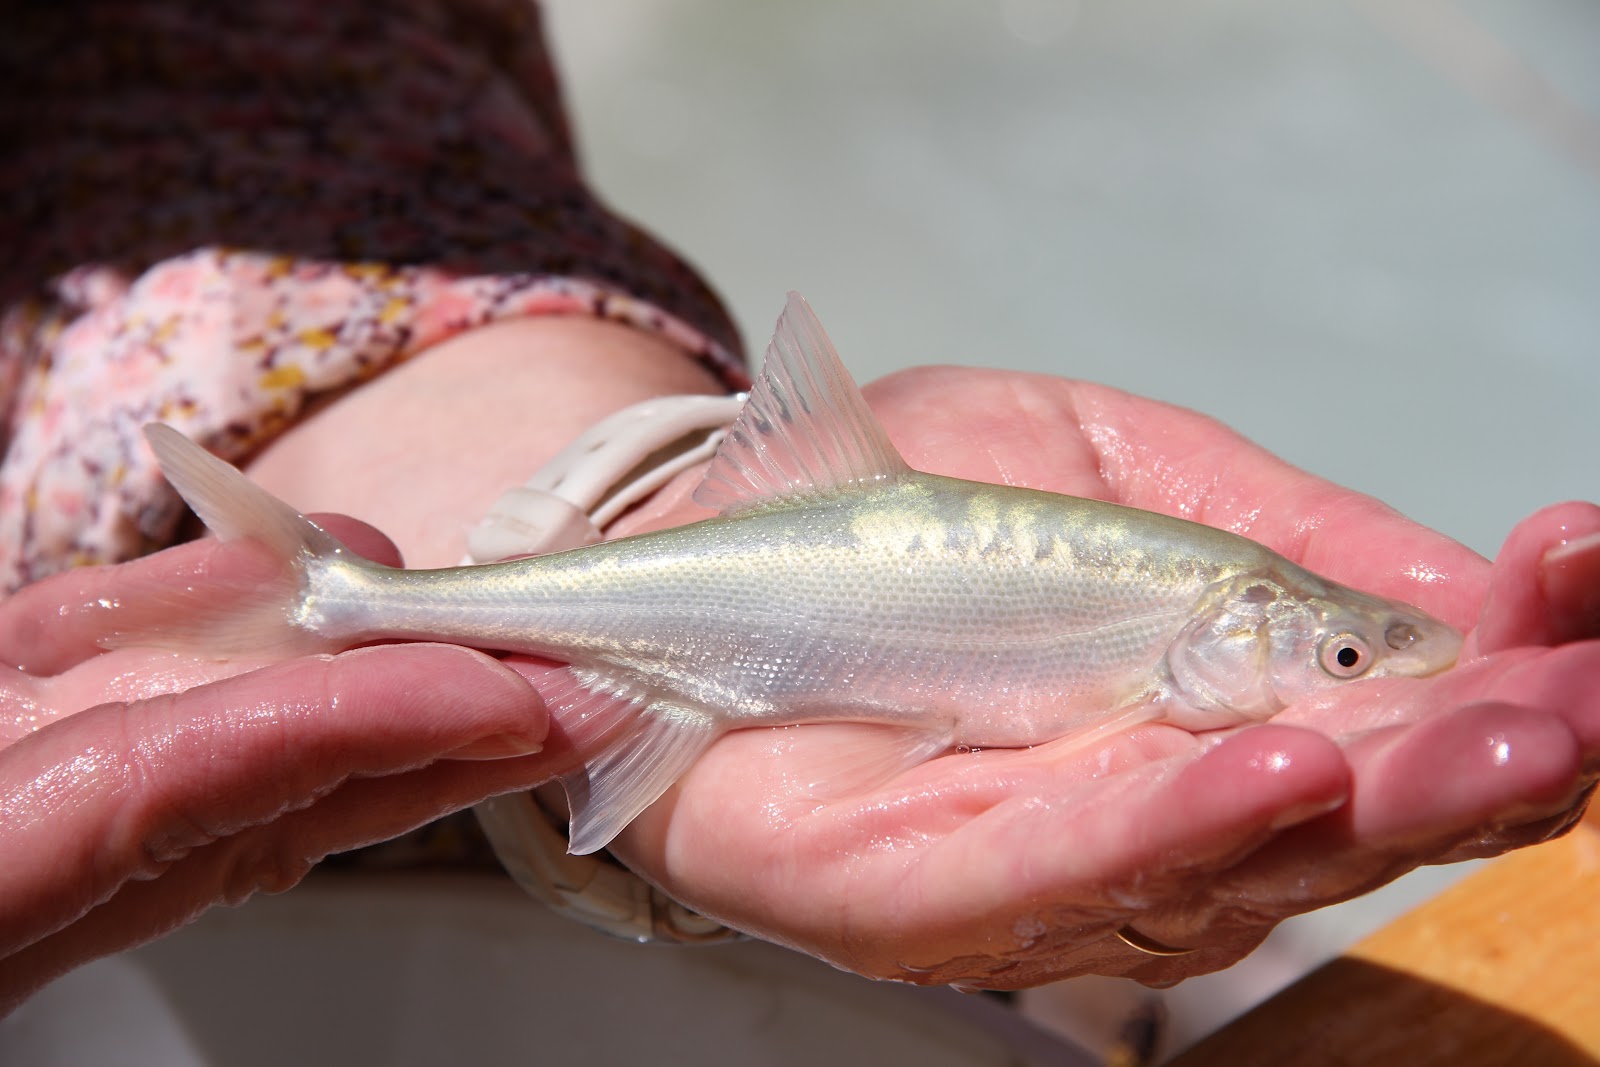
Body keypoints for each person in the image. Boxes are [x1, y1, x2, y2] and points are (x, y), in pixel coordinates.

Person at [4, 0, 1598, 1015]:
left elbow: (220, 68)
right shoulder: (1157, 632)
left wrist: (592, 469)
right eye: (1330, 661)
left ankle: (355, 602)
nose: (1341, 676)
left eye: (1330, 663)